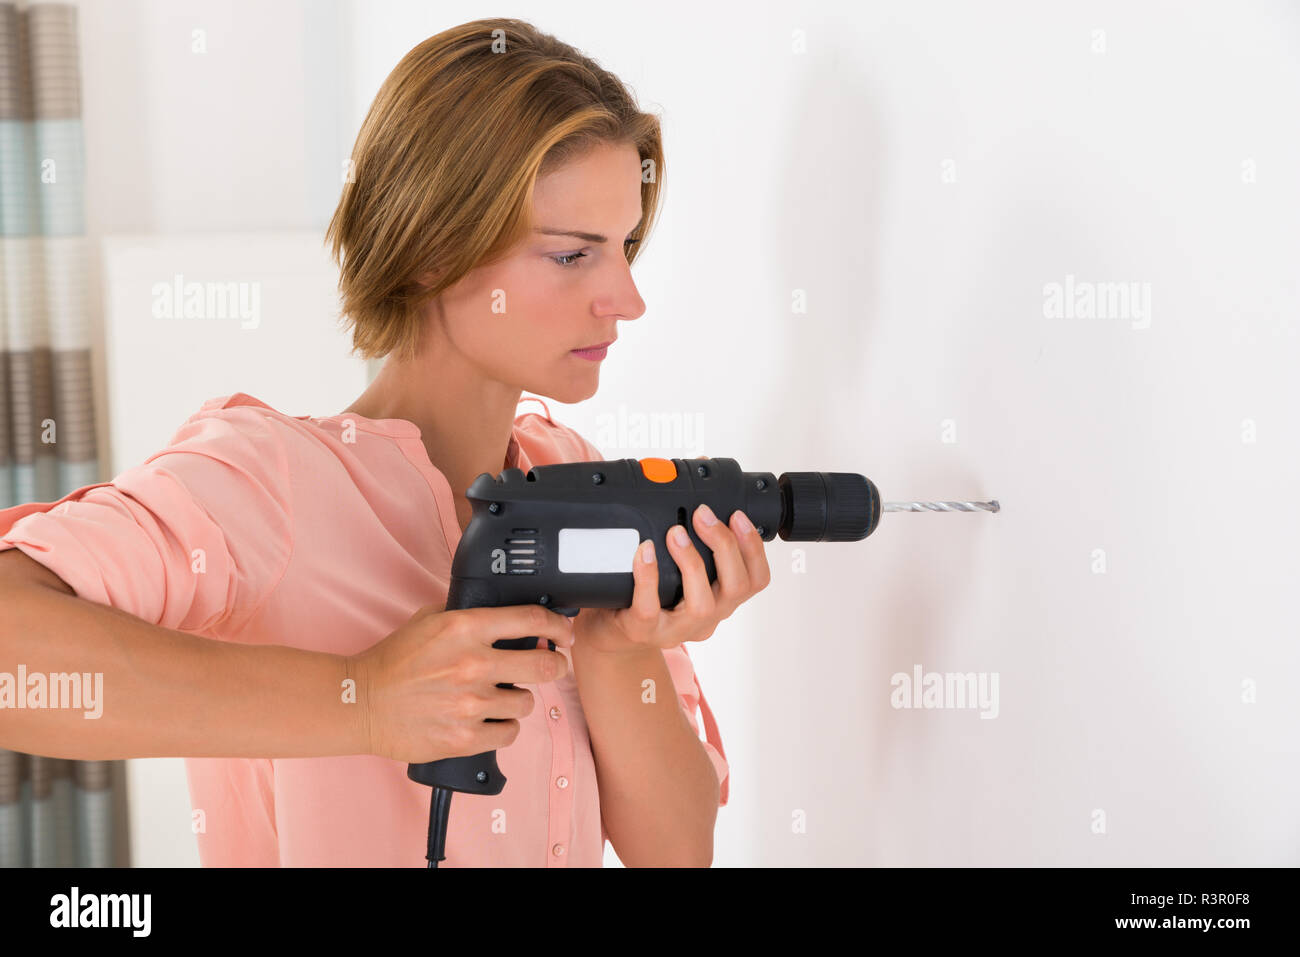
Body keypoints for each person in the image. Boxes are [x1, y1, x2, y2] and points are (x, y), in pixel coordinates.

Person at [0, 17, 770, 867]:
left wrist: (623, 645)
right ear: (435, 250)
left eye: (623, 247)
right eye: (569, 256)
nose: (626, 298)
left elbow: (678, 849)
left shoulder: (574, 476)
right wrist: (364, 699)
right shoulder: (270, 480)